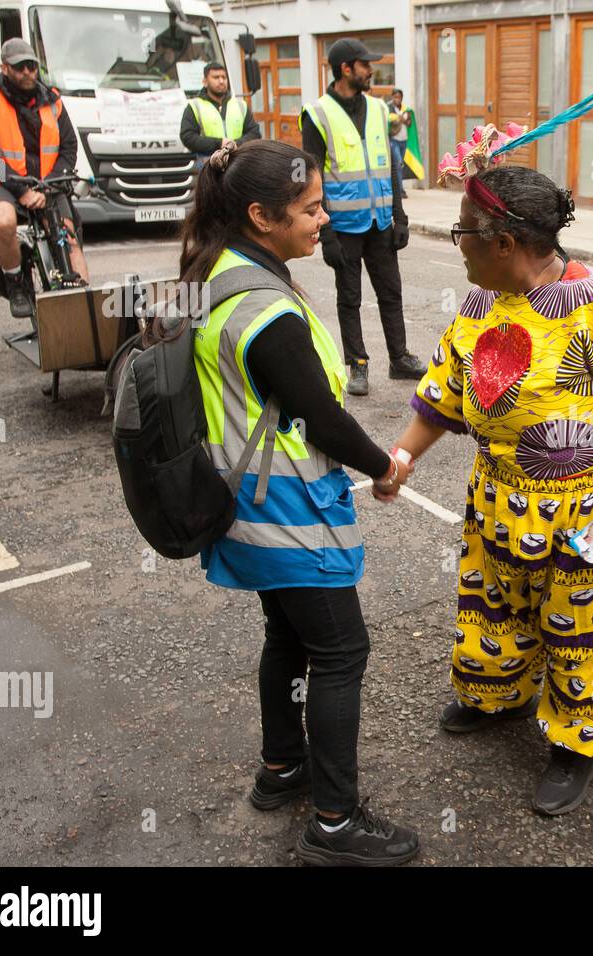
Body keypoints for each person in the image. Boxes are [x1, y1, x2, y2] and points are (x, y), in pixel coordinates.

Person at [400, 127, 593, 815]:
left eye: (463, 232)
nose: (458, 243)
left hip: (592, 522)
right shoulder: (478, 304)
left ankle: (574, 744)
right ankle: (498, 696)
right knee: (494, 613)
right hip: (500, 506)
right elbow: (442, 393)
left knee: (580, 635)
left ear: (503, 244)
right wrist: (404, 457)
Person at [179, 139, 420, 866]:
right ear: (261, 214)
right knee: (343, 649)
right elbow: (322, 416)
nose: (325, 217)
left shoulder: (215, 268)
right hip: (283, 511)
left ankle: (283, 767)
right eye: (310, 207)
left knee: (289, 639)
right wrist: (387, 466)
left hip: (239, 505)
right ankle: (337, 822)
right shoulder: (264, 307)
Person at [301, 38, 424, 395]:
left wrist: (399, 217)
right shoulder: (318, 113)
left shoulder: (379, 109)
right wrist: (325, 234)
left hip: (380, 222)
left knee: (391, 292)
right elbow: (313, 179)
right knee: (349, 297)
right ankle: (357, 366)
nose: (371, 70)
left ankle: (399, 359)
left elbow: (391, 166)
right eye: (365, 64)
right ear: (346, 69)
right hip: (343, 226)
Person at [0, 37, 88, 317]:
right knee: (4, 221)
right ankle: (16, 283)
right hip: (6, 182)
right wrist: (19, 189)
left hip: (47, 184)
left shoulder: (53, 99)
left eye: (31, 66)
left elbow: (69, 147)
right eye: (20, 67)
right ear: (5, 68)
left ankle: (83, 307)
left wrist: (50, 184)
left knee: (69, 240)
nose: (27, 73)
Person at [180, 62, 260, 169]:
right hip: (208, 166)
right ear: (205, 82)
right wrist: (219, 143)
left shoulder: (241, 105)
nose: (221, 81)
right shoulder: (194, 106)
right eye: (216, 77)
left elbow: (254, 133)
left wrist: (235, 144)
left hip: (238, 164)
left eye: (224, 77)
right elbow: (187, 137)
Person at [387, 87, 423, 192]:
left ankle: (398, 187)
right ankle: (399, 190)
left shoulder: (406, 109)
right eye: (395, 97)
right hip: (394, 141)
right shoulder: (389, 108)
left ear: (402, 98)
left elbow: (409, 123)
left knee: (400, 165)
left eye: (399, 97)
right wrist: (399, 118)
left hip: (404, 141)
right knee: (398, 164)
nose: (397, 99)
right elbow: (389, 121)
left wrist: (405, 119)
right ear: (392, 97)